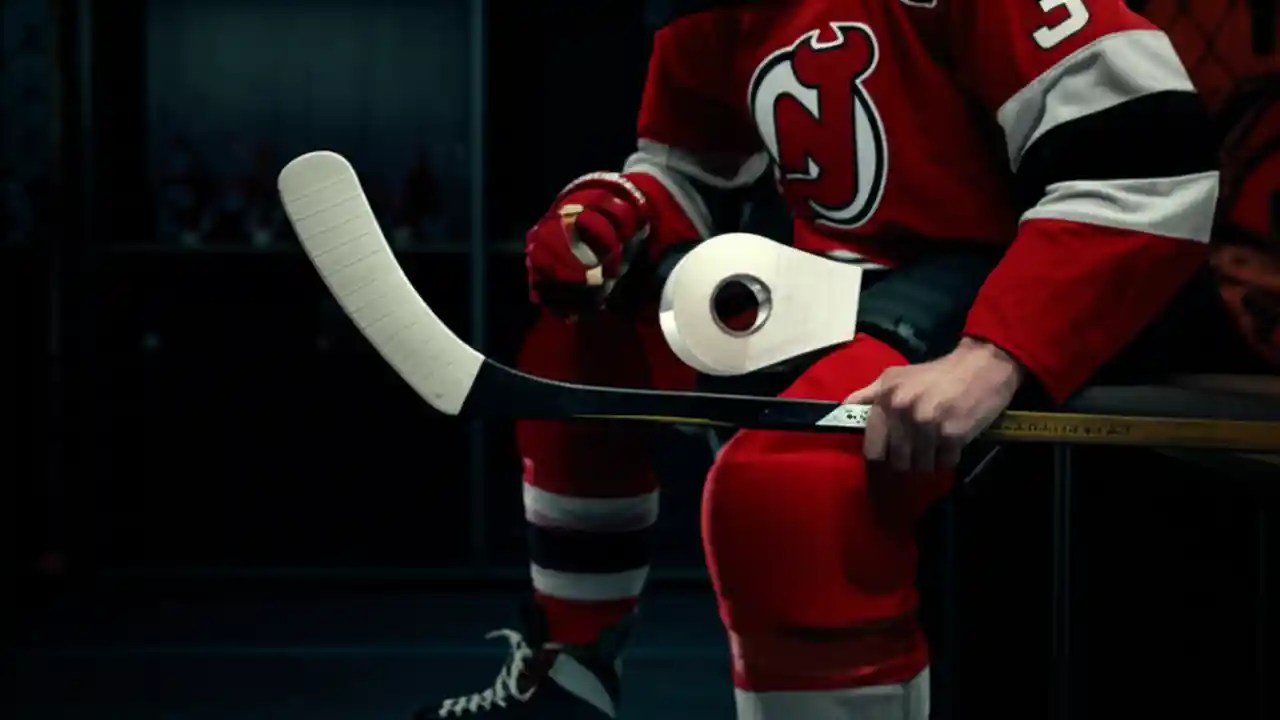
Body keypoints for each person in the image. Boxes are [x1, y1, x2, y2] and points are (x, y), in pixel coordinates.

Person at [422, 1, 1226, 717]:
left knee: (788, 489)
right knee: (574, 340)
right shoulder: (706, 17)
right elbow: (691, 173)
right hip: (833, 288)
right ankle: (573, 673)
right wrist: (621, 212)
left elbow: (1149, 156)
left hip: (988, 274)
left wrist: (995, 353)